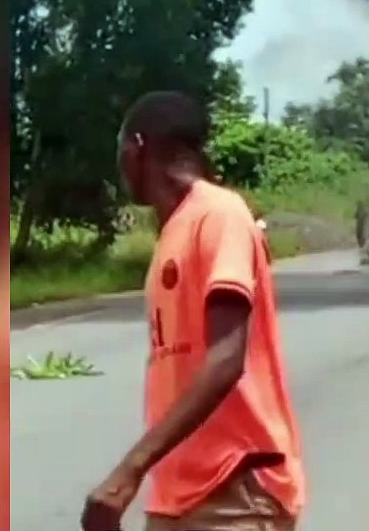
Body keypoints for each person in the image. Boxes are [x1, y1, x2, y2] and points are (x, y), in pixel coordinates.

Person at [83, 91, 305, 531]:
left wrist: (127, 473)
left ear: (137, 148)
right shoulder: (174, 228)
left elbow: (225, 359)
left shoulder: (219, 214)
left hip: (236, 488)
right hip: (181, 493)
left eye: (120, 149)